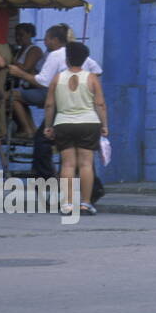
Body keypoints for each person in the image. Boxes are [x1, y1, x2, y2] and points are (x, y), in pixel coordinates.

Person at [7, 23, 102, 184]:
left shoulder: (56, 56)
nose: (45, 42)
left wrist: (19, 73)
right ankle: (92, 191)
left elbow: (44, 84)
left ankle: (46, 179)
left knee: (44, 143)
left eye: (46, 39)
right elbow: (98, 72)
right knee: (83, 154)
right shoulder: (80, 54)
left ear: (55, 40)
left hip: (63, 108)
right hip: (85, 110)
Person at [43, 42, 107, 216]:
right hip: (88, 123)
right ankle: (86, 203)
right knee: (86, 163)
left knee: (68, 164)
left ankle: (68, 204)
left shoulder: (57, 78)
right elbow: (100, 103)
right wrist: (104, 125)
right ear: (85, 59)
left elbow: (49, 104)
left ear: (67, 58)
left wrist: (48, 126)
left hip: (63, 123)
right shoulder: (92, 78)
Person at [8, 23, 44, 139]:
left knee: (10, 96)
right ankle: (32, 129)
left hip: (35, 87)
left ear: (30, 35)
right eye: (16, 35)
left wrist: (9, 61)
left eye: (21, 35)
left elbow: (26, 68)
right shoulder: (19, 51)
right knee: (17, 102)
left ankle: (27, 129)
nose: (18, 38)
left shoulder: (34, 50)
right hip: (24, 86)